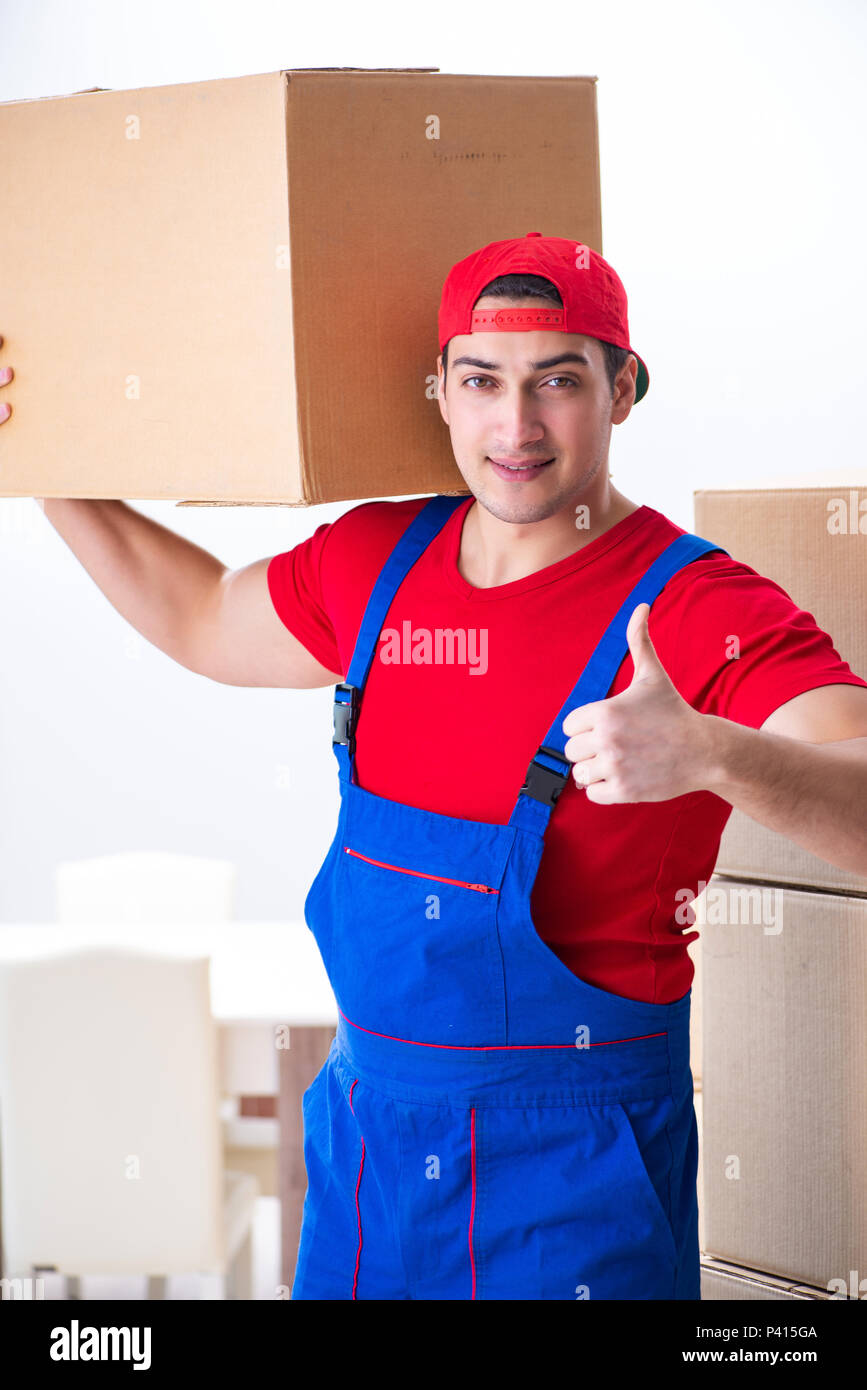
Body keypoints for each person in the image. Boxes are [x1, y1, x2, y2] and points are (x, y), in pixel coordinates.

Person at [11, 234, 867, 1302]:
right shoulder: (375, 563)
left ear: (625, 389)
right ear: (443, 392)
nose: (517, 426)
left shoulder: (696, 608)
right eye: (483, 381)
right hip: (366, 1162)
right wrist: (34, 462)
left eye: (559, 380)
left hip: (574, 1184)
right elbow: (196, 615)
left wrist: (715, 749)